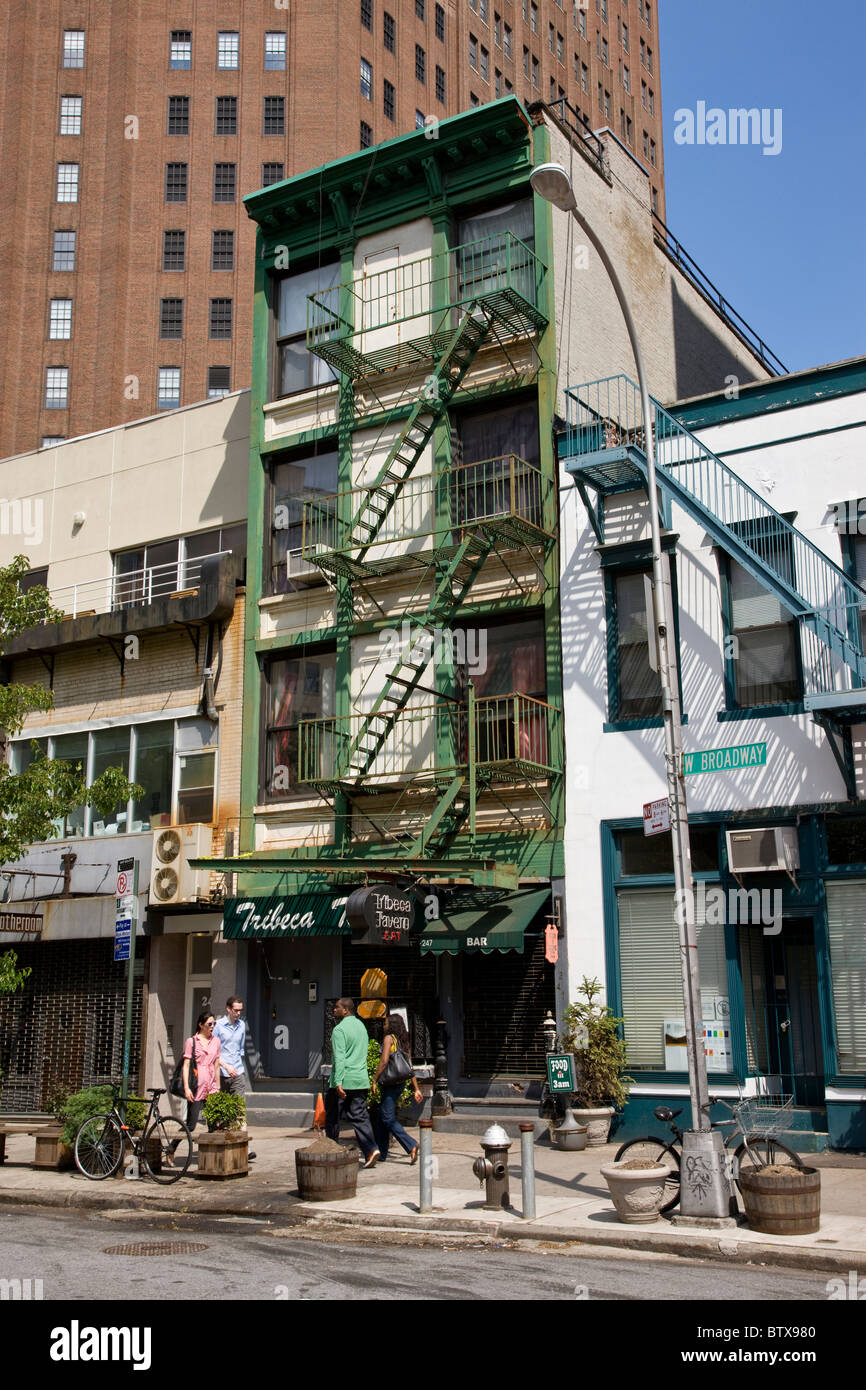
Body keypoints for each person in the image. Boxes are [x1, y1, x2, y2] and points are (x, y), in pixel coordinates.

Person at [325, 997, 380, 1168]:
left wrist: (338, 1082)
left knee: (332, 1117)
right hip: (361, 1078)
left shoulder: (339, 1030)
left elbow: (339, 1058)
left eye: (337, 1007)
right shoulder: (361, 1027)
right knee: (360, 1116)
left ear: (345, 1010)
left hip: (344, 1080)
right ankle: (371, 1149)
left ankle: (331, 1150)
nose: (334, 1010)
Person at [373, 1013, 423, 1164]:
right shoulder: (403, 1041)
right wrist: (416, 1089)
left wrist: (374, 1080)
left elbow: (384, 1061)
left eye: (386, 1023)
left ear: (392, 1025)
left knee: (387, 1117)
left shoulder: (389, 1039)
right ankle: (382, 1153)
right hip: (400, 1083)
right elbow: (409, 1067)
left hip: (389, 1083)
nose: (384, 1025)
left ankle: (411, 1144)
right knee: (382, 1117)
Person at [214, 996, 256, 1160]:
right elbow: (214, 1052)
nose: (238, 1013)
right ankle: (222, 1144)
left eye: (240, 1010)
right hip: (222, 1072)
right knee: (222, 1111)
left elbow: (241, 1049)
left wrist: (238, 1068)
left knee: (239, 1109)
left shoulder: (241, 1026)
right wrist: (225, 1067)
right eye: (236, 1010)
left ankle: (245, 1146)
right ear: (228, 1009)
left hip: (237, 1072)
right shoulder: (218, 1026)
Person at [182, 1010, 222, 1134]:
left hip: (211, 1086)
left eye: (213, 1024)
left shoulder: (216, 1041)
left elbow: (216, 1065)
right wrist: (186, 1088)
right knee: (191, 1125)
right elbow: (186, 1065)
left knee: (214, 1123)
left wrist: (218, 1087)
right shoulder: (191, 1041)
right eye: (209, 1024)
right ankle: (173, 1145)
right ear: (201, 1025)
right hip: (197, 1086)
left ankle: (212, 1152)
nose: (212, 1027)